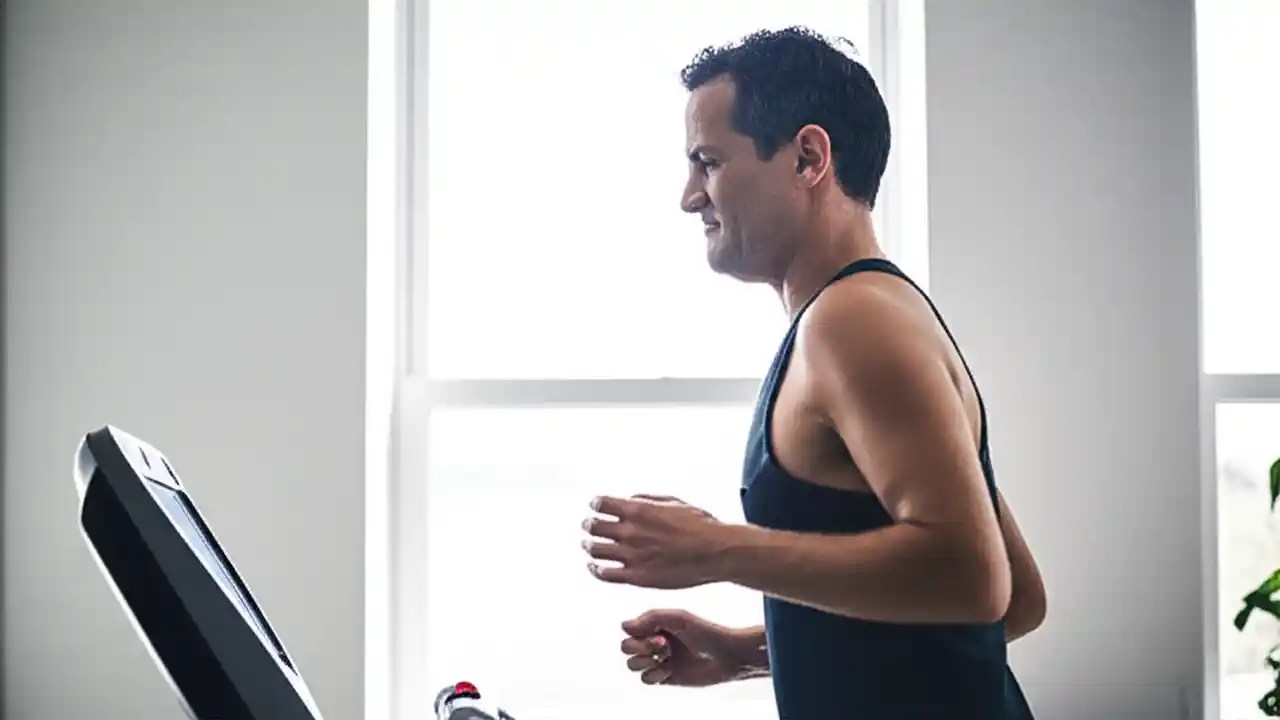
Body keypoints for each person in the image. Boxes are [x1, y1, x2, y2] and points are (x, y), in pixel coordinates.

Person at [579, 26, 1046, 718]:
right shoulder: (863, 314)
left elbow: (972, 581)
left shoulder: (854, 323)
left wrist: (718, 549)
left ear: (807, 157)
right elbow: (1017, 599)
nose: (689, 196)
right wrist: (749, 652)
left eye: (707, 162)